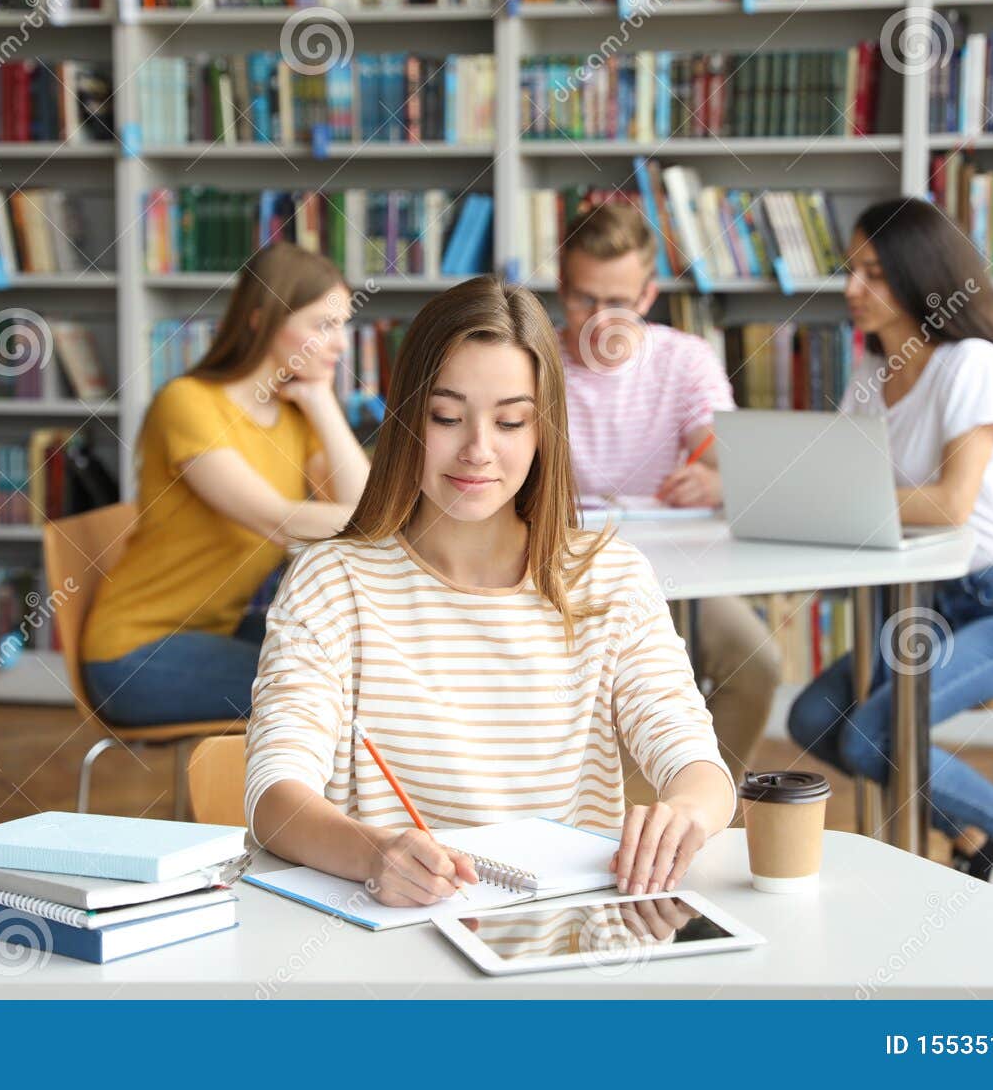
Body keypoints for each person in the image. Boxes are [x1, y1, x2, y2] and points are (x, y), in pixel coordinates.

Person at [244, 276, 736, 907]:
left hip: (563, 941)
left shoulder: (609, 577)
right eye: (447, 417)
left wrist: (686, 812)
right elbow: (273, 794)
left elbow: (692, 755)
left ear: (542, 431)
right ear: (408, 420)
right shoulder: (331, 583)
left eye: (509, 422)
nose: (478, 450)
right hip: (390, 943)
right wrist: (375, 854)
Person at [786, 198, 993, 911]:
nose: (852, 290)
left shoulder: (970, 364)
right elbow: (845, 482)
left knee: (871, 741)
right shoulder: (870, 376)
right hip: (928, 599)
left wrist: (829, 496)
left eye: (873, 272)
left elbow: (951, 502)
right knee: (812, 718)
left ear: (917, 274)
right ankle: (978, 839)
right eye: (849, 270)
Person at [80, 242, 370, 726]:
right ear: (263, 320)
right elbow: (279, 520)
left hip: (216, 633)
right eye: (323, 325)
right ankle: (274, 805)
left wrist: (321, 401)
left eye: (342, 325)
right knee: (323, 690)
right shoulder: (188, 404)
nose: (341, 344)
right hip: (134, 656)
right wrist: (405, 525)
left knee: (356, 667)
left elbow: (362, 501)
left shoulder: (293, 417)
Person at [556, 202, 782, 787]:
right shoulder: (532, 362)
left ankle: (690, 813)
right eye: (584, 299)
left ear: (649, 295)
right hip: (561, 566)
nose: (599, 322)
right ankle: (624, 824)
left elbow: (732, 462)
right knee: (611, 682)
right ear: (560, 287)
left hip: (676, 567)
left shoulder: (682, 360)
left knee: (755, 663)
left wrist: (716, 479)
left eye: (619, 303)